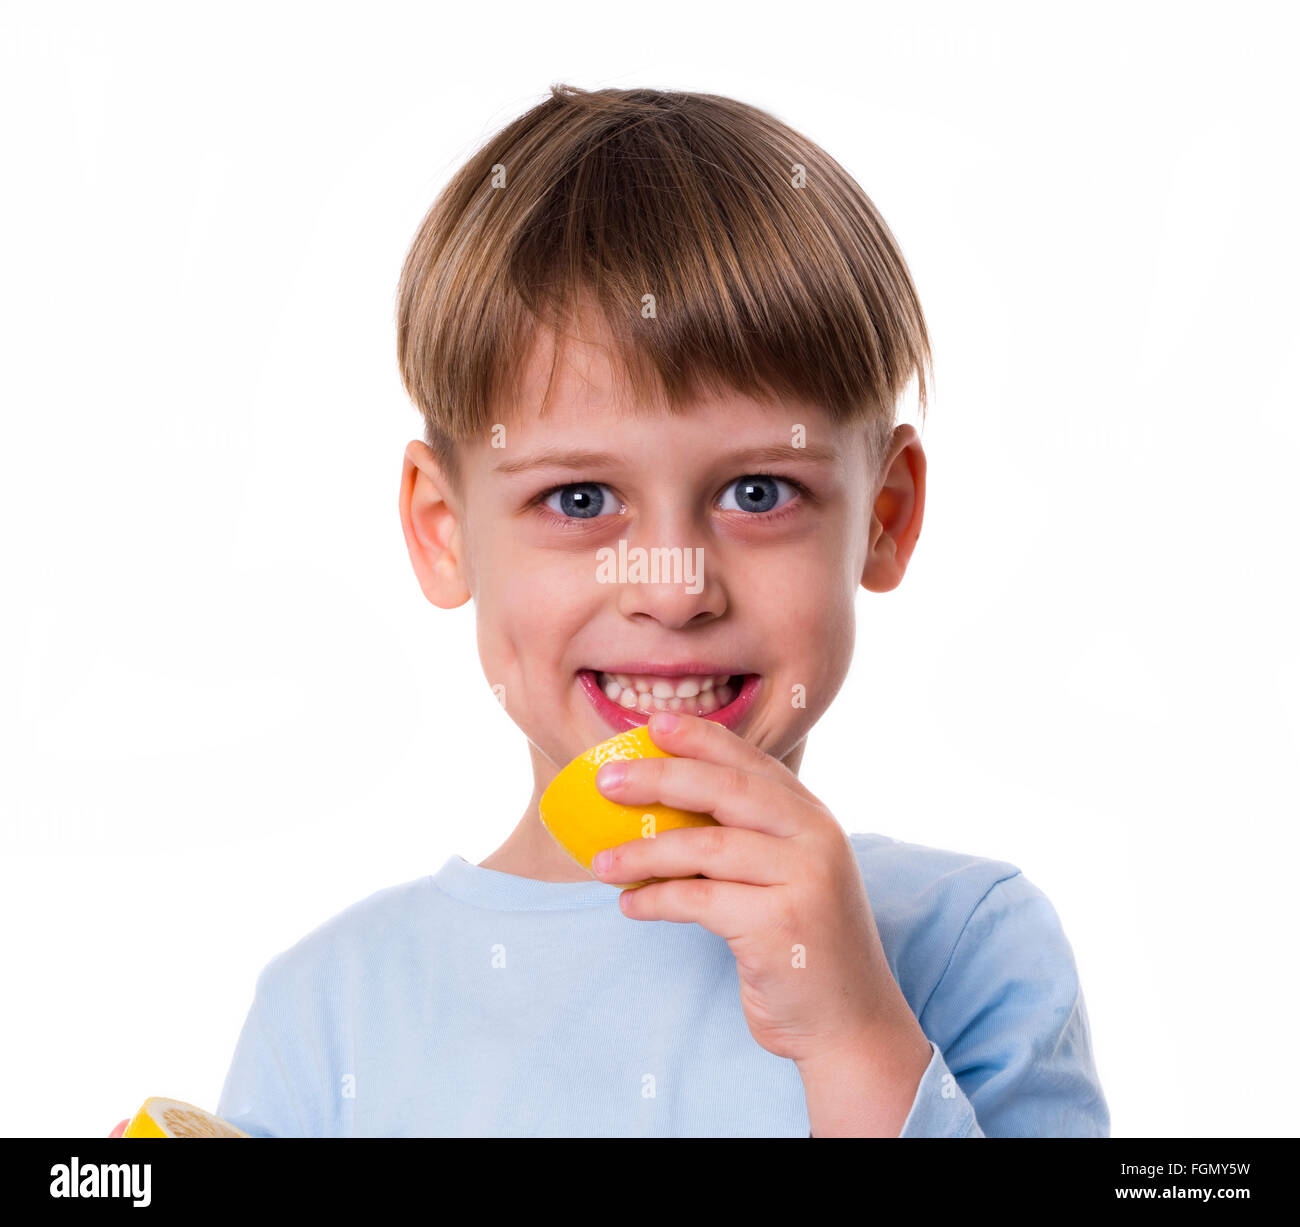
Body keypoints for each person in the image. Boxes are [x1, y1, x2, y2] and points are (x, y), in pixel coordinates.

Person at [116, 83, 1108, 1137]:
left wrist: (853, 1039)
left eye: (757, 493)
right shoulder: (329, 1013)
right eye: (579, 500)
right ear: (444, 529)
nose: (675, 589)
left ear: (886, 516)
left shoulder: (963, 948)